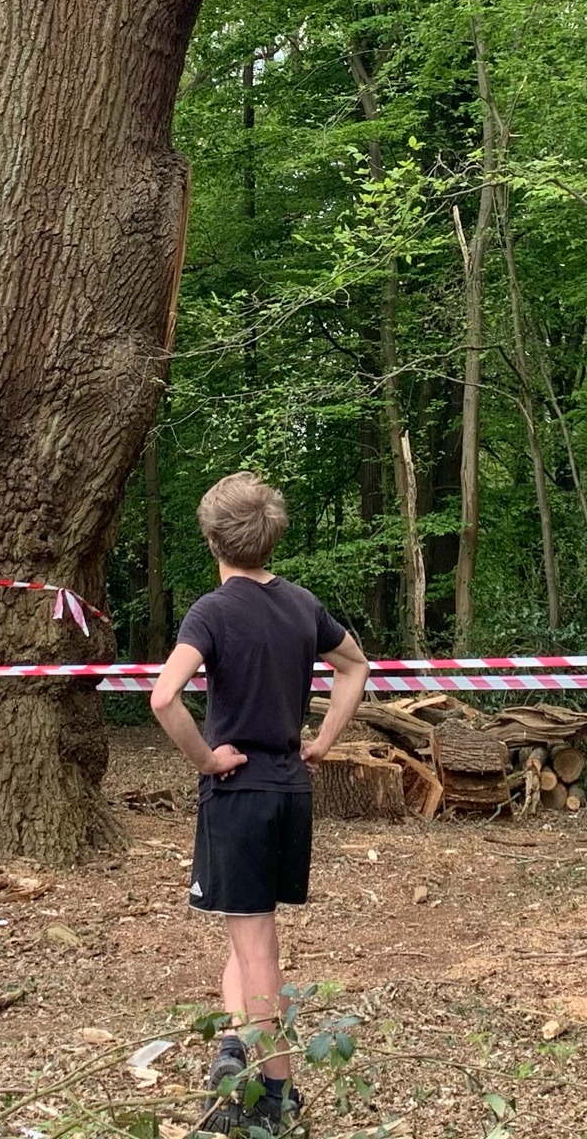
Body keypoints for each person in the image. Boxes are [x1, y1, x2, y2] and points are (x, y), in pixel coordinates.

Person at [149, 472, 371, 1135]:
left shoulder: (212, 610)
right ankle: (236, 1048)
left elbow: (164, 697)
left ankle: (276, 1093)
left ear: (213, 538)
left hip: (239, 792)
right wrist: (323, 740)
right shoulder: (302, 603)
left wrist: (206, 757)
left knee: (258, 943)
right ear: (271, 537)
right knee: (245, 926)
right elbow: (355, 665)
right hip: (290, 792)